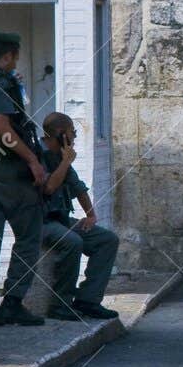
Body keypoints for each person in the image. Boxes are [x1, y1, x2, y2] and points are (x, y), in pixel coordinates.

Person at [0, 32, 48, 328]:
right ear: (10, 55)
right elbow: (3, 128)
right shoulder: (0, 82)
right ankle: (13, 303)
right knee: (29, 237)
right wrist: (32, 160)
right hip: (10, 173)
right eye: (15, 55)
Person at [40, 114, 120, 321]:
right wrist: (66, 162)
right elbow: (49, 187)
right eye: (72, 132)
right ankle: (60, 304)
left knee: (107, 240)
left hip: (61, 219)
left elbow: (78, 188)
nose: (74, 137)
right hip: (39, 222)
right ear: (61, 134)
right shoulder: (40, 154)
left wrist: (91, 215)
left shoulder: (61, 156)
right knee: (72, 242)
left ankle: (88, 300)